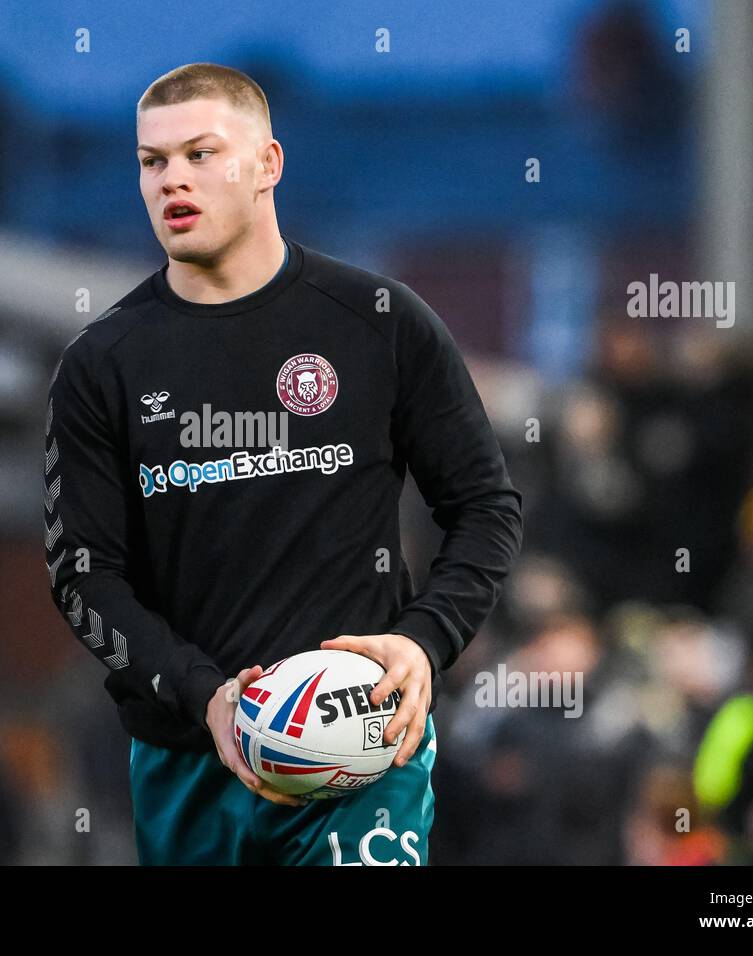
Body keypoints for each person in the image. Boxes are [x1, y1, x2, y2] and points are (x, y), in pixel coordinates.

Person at [43, 63, 523, 865]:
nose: (173, 181)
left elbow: (485, 508)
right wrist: (209, 699)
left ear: (268, 163)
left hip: (363, 745)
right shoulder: (104, 364)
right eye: (152, 162)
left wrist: (424, 640)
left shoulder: (379, 321)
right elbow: (84, 577)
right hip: (190, 761)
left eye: (201, 153)